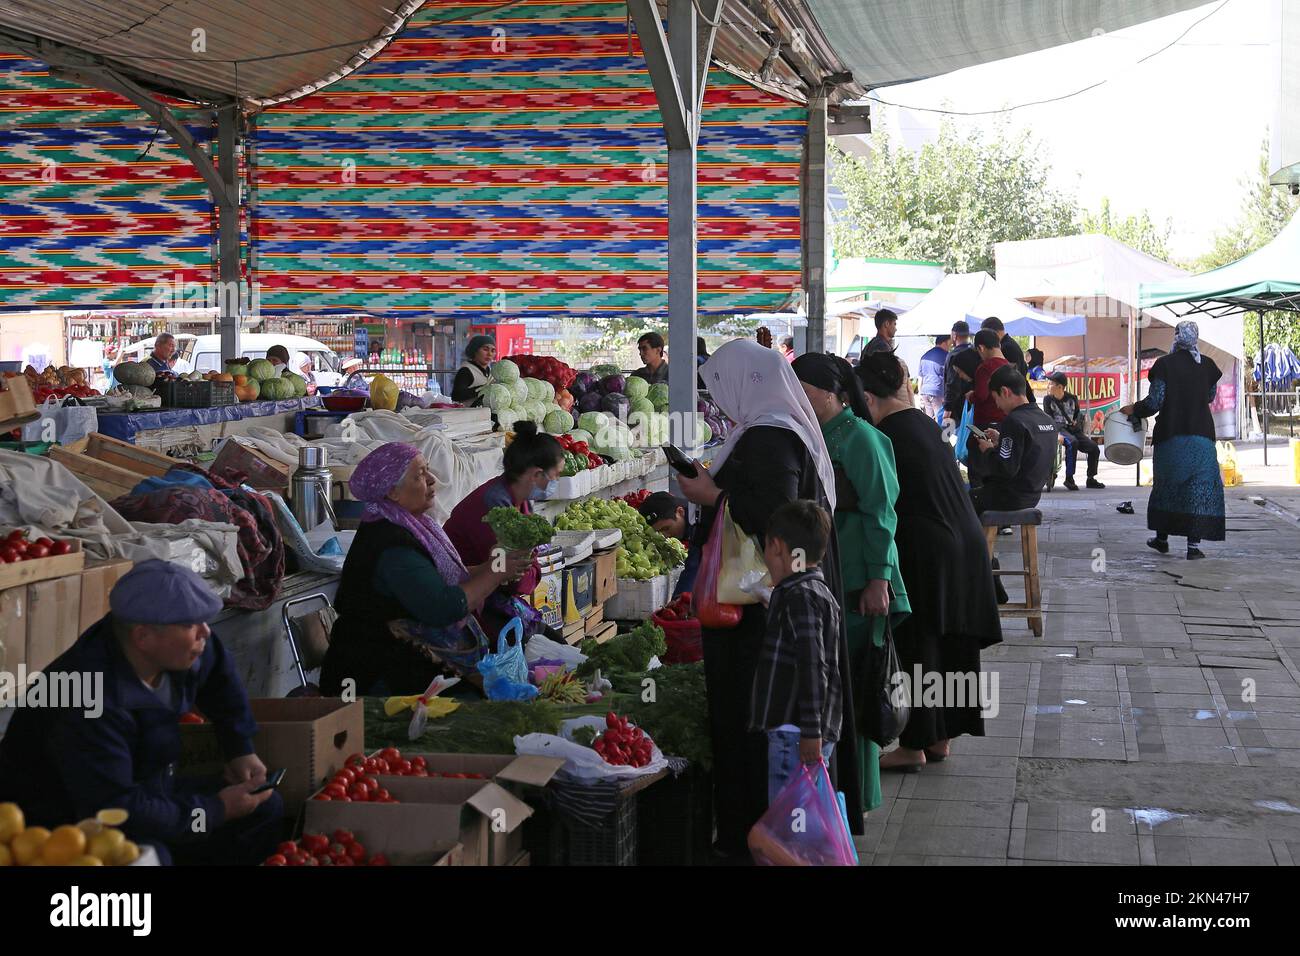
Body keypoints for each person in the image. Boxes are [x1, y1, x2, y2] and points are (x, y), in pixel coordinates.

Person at [675, 339, 863, 856]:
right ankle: (769, 838)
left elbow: (776, 512)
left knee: (751, 732)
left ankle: (760, 840)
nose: (717, 400)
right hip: (766, 603)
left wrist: (713, 496)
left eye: (720, 387)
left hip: (759, 614)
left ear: (745, 383)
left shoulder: (768, 436)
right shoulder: (776, 430)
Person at [0, 560, 284, 866]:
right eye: (190, 624)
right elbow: (117, 809)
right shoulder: (86, 700)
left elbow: (219, 679)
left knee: (266, 809)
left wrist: (239, 747)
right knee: (153, 858)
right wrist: (214, 811)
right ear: (143, 637)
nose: (205, 632)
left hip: (150, 789)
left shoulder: (183, 647)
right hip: (73, 821)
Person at [856, 353, 1002, 771]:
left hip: (932, 545)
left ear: (868, 397)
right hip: (963, 539)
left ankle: (915, 744)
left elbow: (880, 499)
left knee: (918, 642)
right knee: (949, 644)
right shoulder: (919, 421)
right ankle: (940, 738)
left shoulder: (888, 433)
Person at [320, 442, 533, 697]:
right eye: (420, 475)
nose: (432, 480)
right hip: (378, 676)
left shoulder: (412, 525)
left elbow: (447, 578)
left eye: (428, 470)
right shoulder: (390, 543)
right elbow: (444, 606)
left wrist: (498, 566)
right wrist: (496, 572)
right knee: (480, 703)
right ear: (392, 493)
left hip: (411, 660)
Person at [792, 352, 908, 812]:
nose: (799, 395)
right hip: (833, 573)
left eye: (805, 388)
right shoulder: (816, 435)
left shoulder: (863, 438)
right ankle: (842, 794)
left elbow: (883, 513)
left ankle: (859, 796)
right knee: (836, 683)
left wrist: (880, 580)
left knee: (858, 683)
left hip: (863, 577)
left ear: (834, 392)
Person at [749, 500, 841, 806]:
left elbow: (813, 666)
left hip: (795, 732)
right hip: (801, 732)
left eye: (766, 551)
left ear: (776, 547)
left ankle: (791, 856)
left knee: (789, 823)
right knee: (801, 820)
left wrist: (811, 732)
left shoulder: (799, 597)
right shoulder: (811, 591)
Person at [1119, 321, 1225, 560]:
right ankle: (1193, 548)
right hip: (1202, 438)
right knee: (1197, 490)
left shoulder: (1164, 365)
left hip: (1172, 437)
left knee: (1168, 487)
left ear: (1177, 337)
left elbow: (1155, 402)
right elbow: (1209, 397)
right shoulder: (1207, 365)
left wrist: (1133, 409)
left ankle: (1162, 539)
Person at [444, 421, 562, 635]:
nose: (557, 482)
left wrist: (530, 568)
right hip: (471, 609)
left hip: (493, 598)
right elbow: (513, 581)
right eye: (556, 476)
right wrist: (531, 568)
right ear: (536, 475)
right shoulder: (493, 506)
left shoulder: (519, 499)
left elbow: (522, 571)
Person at [971, 365, 1059, 514]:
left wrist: (988, 450)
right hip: (1033, 495)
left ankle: (973, 538)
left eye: (996, 399)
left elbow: (1005, 469)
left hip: (1009, 497)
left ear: (1005, 392)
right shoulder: (1047, 419)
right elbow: (1028, 451)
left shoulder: (1014, 421)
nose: (997, 405)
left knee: (963, 500)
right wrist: (1002, 439)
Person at [1043, 371, 1104, 490]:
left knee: (1093, 448)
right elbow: (1049, 419)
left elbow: (1076, 415)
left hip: (1073, 429)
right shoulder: (1047, 400)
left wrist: (1076, 422)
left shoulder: (1072, 399)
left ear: (1060, 387)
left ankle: (1091, 478)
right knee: (1072, 442)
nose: (1048, 386)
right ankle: (1069, 478)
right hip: (1058, 429)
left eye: (1050, 383)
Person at [981, 316, 1035, 404]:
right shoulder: (1008, 343)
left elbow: (1011, 375)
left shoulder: (1007, 347)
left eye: (986, 335)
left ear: (994, 332)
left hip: (1017, 397)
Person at [942, 320, 974, 425]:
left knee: (948, 437)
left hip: (957, 406)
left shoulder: (954, 355)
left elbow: (952, 383)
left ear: (954, 335)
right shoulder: (975, 352)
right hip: (974, 403)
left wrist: (948, 408)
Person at [451, 335, 495, 404]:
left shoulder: (491, 372)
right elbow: (456, 395)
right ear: (475, 350)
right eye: (485, 349)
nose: (489, 354)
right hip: (469, 413)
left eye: (493, 351)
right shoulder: (466, 371)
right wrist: (484, 389)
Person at [917, 334, 951, 420]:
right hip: (938, 392)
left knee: (929, 420)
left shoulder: (925, 356)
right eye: (949, 343)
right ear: (945, 342)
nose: (950, 346)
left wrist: (920, 394)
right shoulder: (947, 356)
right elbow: (949, 377)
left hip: (925, 392)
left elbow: (920, 377)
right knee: (940, 420)